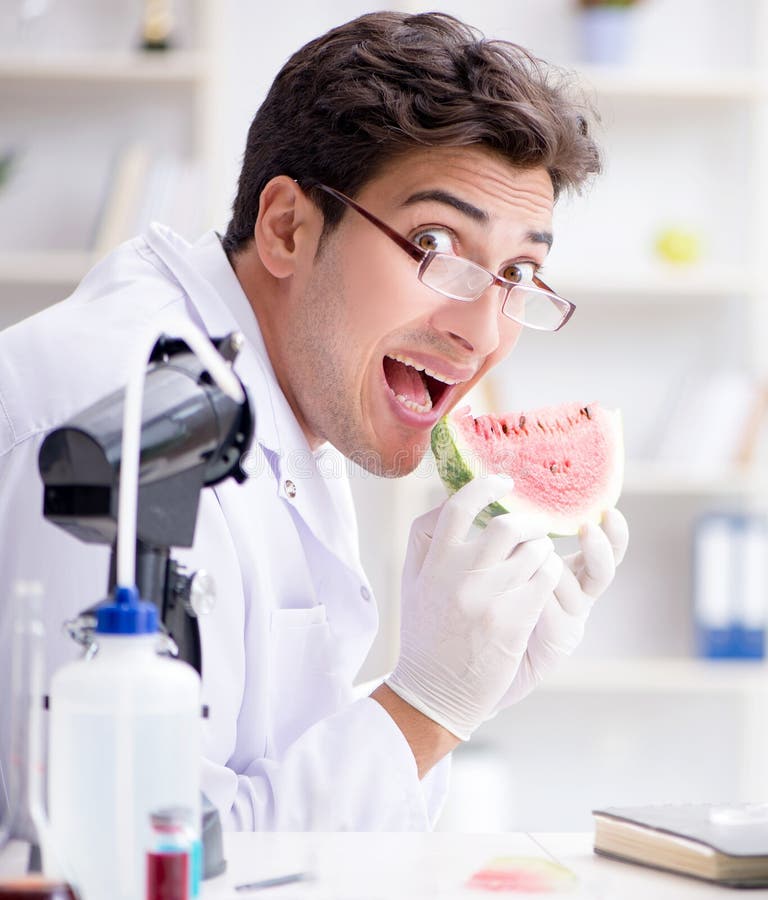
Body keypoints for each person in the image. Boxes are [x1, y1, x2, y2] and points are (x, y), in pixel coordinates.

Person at [0, 11, 628, 831]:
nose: (481, 335)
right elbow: (126, 858)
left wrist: (458, 691)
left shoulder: (285, 383)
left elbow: (260, 789)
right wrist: (426, 704)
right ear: (287, 227)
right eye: (435, 243)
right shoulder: (123, 426)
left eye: (518, 272)